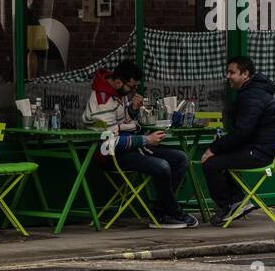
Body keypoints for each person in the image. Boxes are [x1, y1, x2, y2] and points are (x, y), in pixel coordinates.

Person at [82, 60, 197, 228]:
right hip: (110, 154)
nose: (133, 91)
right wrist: (146, 140)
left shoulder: (117, 93)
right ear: (119, 81)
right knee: (162, 166)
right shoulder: (102, 101)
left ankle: (160, 210)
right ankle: (172, 212)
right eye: (132, 87)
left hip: (131, 147)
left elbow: (121, 123)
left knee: (181, 158)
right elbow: (111, 141)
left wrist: (133, 109)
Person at [201, 56, 275, 226]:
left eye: (232, 72)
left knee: (211, 163)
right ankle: (237, 200)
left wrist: (213, 149)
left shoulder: (251, 95)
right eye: (227, 72)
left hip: (259, 153)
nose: (228, 76)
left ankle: (226, 206)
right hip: (259, 149)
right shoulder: (253, 92)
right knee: (220, 160)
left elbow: (242, 132)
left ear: (245, 74)